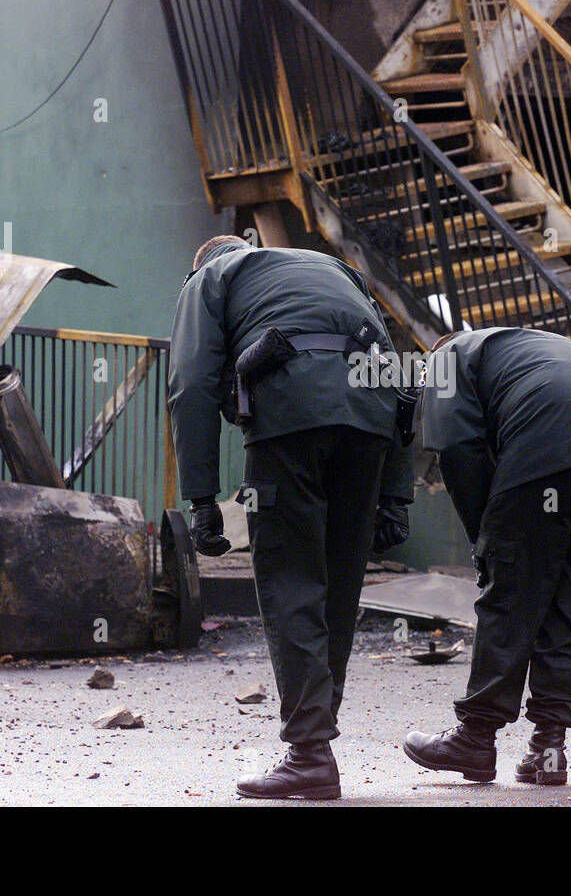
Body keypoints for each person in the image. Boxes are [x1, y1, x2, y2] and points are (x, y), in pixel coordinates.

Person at [169, 234, 413, 800]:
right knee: (339, 586)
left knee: (290, 581)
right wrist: (395, 496)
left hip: (290, 417)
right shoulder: (339, 271)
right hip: (368, 424)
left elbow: (191, 384)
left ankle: (309, 754)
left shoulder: (212, 277)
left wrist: (201, 499)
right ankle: (315, 743)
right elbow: (399, 379)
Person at [403, 327, 571, 786]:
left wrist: (485, 540)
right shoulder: (520, 350)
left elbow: (457, 448)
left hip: (549, 437)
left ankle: (475, 737)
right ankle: (549, 746)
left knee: (511, 587)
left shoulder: (446, 359)